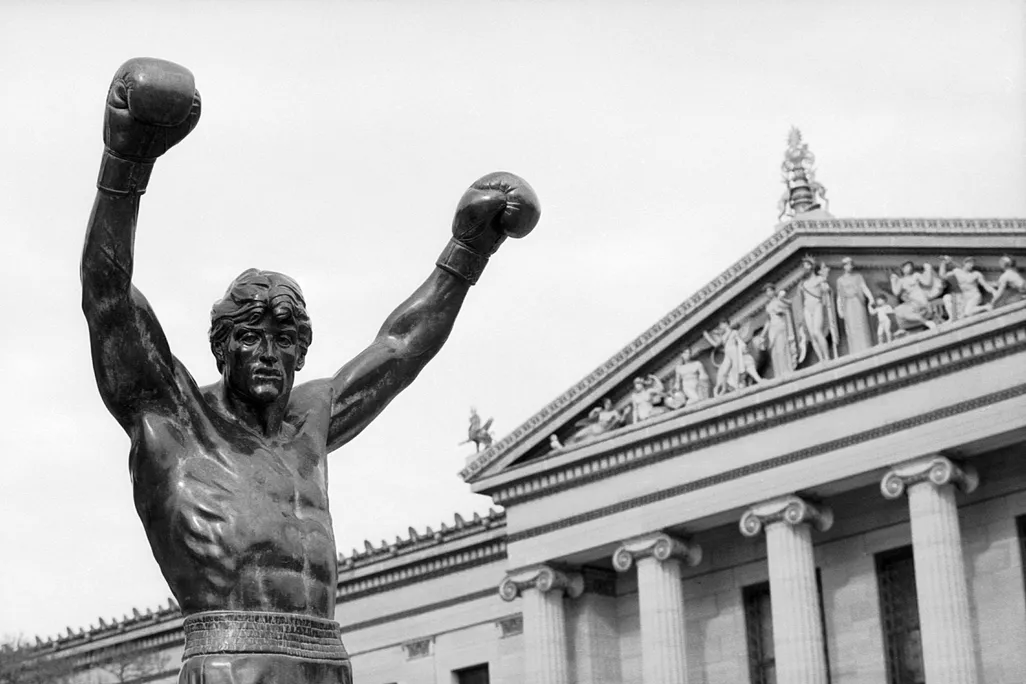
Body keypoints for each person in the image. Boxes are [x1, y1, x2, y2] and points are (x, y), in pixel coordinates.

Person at [80, 59, 540, 684]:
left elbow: (400, 347)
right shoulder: (174, 419)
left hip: (327, 662)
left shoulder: (310, 423)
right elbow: (108, 295)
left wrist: (467, 252)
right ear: (223, 350)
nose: (269, 352)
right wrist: (125, 164)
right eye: (250, 338)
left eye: (284, 340)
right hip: (230, 661)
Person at [798, 257, 837, 363]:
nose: (805, 267)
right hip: (807, 308)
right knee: (811, 336)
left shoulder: (819, 279)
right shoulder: (803, 284)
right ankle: (821, 359)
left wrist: (826, 288)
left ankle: (827, 357)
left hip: (817, 305)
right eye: (804, 265)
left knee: (817, 332)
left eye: (807, 265)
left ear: (812, 266)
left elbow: (826, 290)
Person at [835, 257, 875, 354]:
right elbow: (839, 296)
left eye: (850, 264)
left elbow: (864, 287)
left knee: (861, 324)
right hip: (848, 305)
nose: (849, 266)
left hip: (858, 302)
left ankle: (866, 346)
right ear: (843, 267)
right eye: (847, 264)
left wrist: (871, 298)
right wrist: (839, 310)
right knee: (851, 327)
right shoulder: (840, 280)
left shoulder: (858, 276)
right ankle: (855, 350)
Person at [759, 285, 801, 378]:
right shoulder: (768, 306)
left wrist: (782, 302)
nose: (768, 293)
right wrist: (762, 334)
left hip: (780, 325)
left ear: (774, 291)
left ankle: (786, 370)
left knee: (782, 348)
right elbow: (768, 321)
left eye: (770, 290)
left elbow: (789, 306)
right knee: (774, 351)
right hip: (772, 329)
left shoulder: (779, 300)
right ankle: (779, 372)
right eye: (766, 291)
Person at [889, 261, 939, 332]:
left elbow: (927, 282)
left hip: (920, 300)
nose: (908, 268)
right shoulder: (901, 280)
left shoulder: (916, 275)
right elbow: (896, 292)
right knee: (898, 311)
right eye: (906, 266)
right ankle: (925, 322)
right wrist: (893, 281)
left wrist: (928, 269)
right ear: (902, 269)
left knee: (903, 310)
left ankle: (926, 322)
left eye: (910, 266)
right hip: (912, 302)